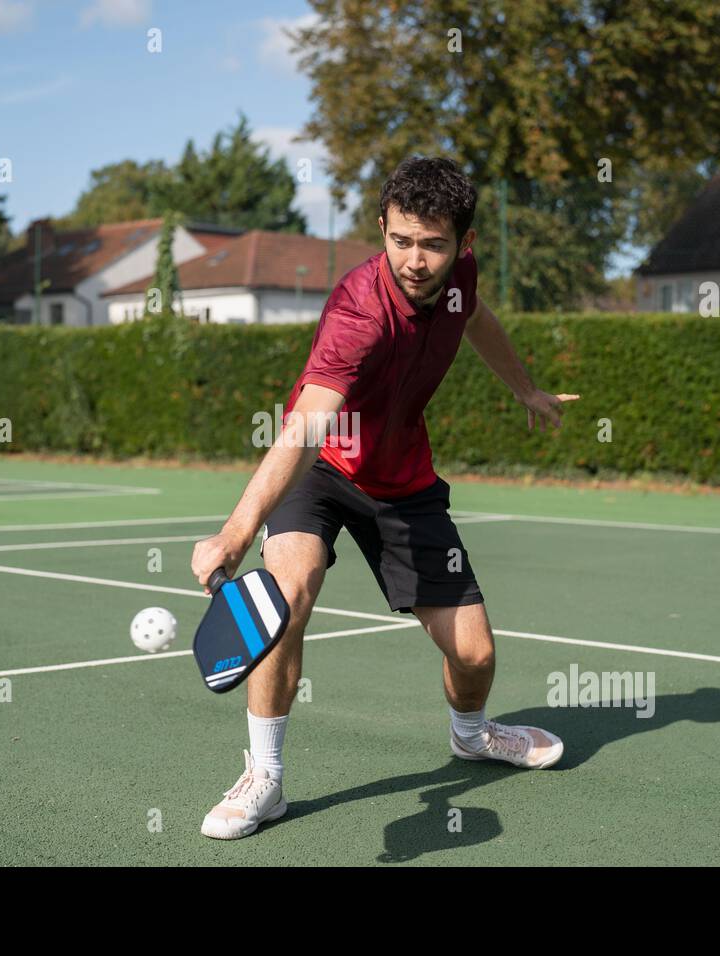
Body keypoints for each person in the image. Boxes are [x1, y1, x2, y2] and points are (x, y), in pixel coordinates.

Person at [190, 156, 580, 839]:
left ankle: (471, 735)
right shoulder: (357, 311)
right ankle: (265, 776)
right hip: (323, 469)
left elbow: (476, 318)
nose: (416, 260)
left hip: (403, 483)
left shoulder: (459, 279)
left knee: (476, 654)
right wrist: (236, 529)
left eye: (432, 244)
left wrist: (524, 387)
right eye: (400, 240)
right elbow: (308, 425)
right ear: (382, 229)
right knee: (287, 594)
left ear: (464, 244)